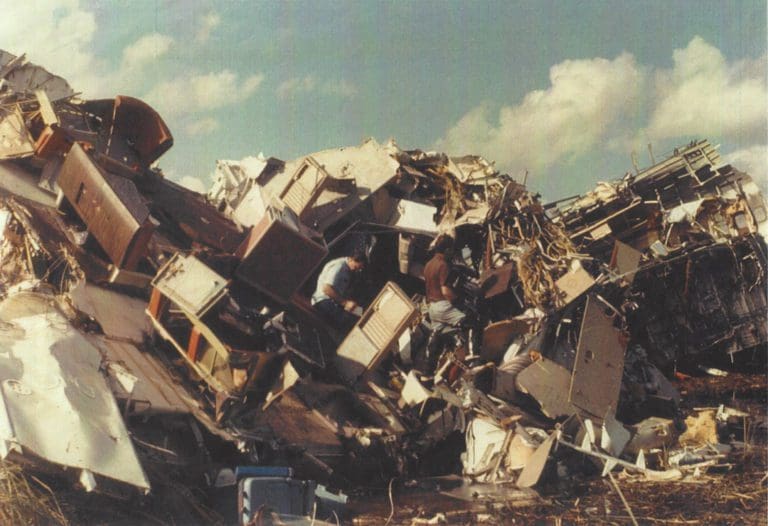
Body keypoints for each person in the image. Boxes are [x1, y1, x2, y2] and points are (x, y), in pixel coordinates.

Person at [311, 248, 367, 331]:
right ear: (352, 259)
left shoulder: (348, 269)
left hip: (335, 301)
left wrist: (355, 308)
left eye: (359, 269)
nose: (357, 270)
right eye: (356, 267)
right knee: (347, 322)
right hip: (323, 301)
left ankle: (367, 316)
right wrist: (344, 303)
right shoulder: (339, 267)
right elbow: (326, 288)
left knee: (361, 312)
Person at [423, 234, 466, 330]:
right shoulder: (443, 265)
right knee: (468, 322)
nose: (453, 253)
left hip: (432, 308)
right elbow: (445, 291)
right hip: (443, 307)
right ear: (447, 250)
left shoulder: (428, 265)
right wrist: (457, 301)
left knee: (440, 337)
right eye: (452, 250)